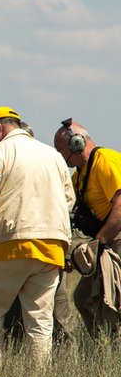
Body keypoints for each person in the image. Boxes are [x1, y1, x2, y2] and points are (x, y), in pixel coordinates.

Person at [0, 106, 74, 368]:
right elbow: (68, 199)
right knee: (40, 321)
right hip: (52, 248)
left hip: (8, 246)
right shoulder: (53, 155)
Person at [53, 119, 121, 337]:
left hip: (115, 239)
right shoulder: (80, 175)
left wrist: (96, 245)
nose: (60, 156)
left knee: (113, 298)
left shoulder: (105, 160)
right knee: (84, 298)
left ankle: (111, 347)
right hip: (107, 241)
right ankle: (104, 348)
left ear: (76, 143)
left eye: (60, 150)